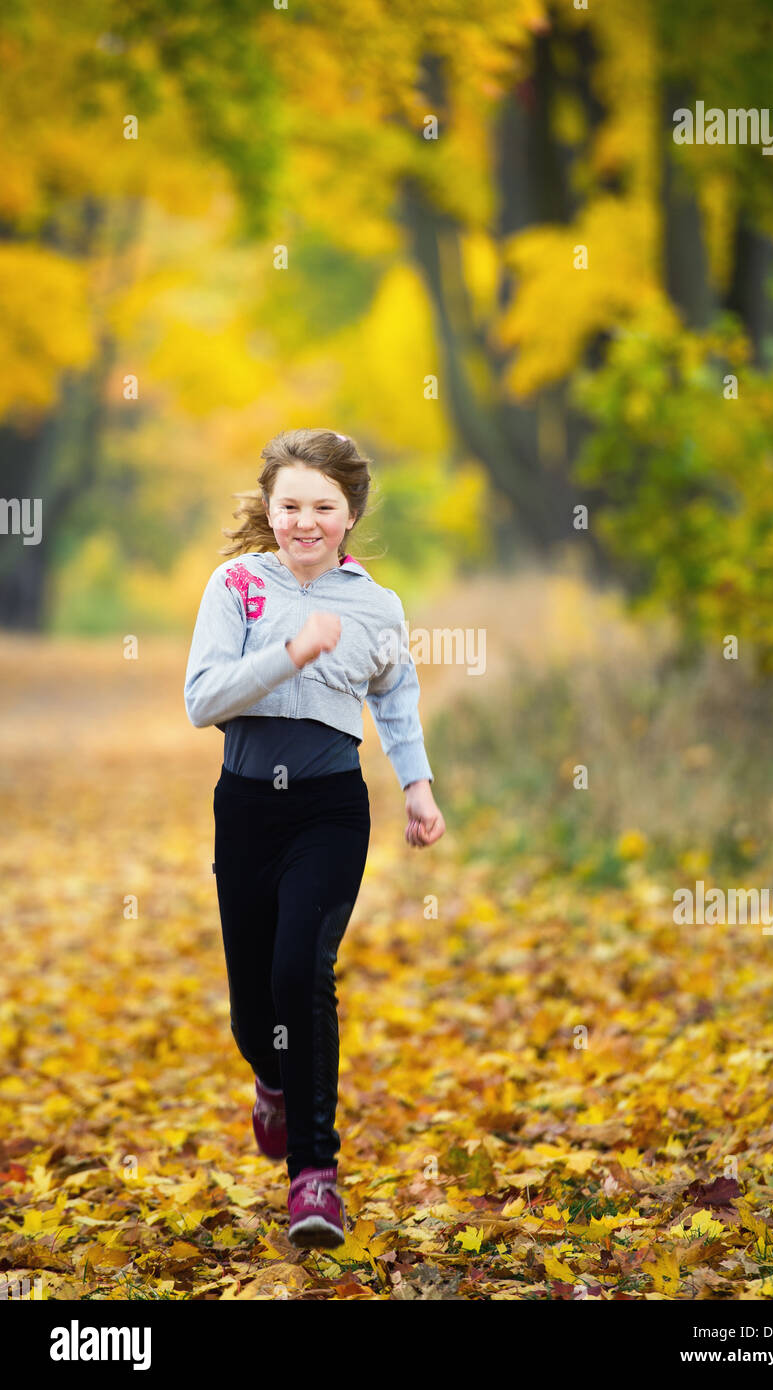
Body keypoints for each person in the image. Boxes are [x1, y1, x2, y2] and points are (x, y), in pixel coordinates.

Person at [183, 427, 445, 1249]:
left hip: (331, 807)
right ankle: (270, 1080)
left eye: (322, 507)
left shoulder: (376, 604)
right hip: (248, 805)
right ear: (268, 507)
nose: (304, 521)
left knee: (305, 971)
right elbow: (201, 699)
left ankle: (314, 1179)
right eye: (289, 504)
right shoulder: (234, 587)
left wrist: (417, 786)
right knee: (254, 1014)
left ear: (349, 514)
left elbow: (395, 698)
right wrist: (290, 653)